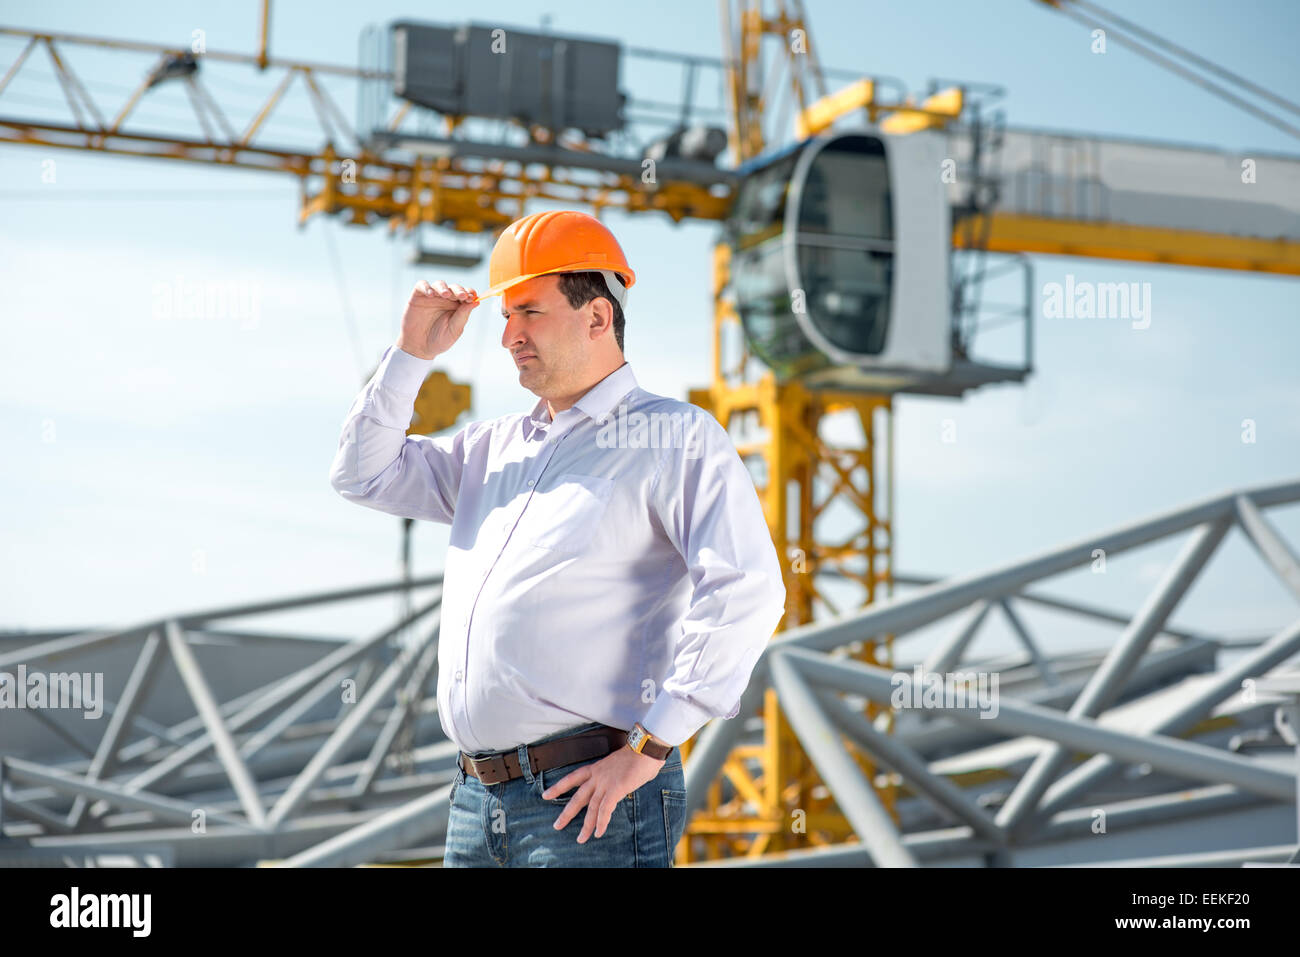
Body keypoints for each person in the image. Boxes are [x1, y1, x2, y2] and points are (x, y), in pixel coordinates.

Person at [329, 209, 787, 867]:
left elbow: (749, 591)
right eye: (505, 316)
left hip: (588, 803)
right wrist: (411, 356)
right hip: (474, 803)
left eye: (530, 313)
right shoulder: (491, 448)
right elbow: (360, 475)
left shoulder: (673, 438)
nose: (508, 335)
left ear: (597, 318)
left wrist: (650, 750)